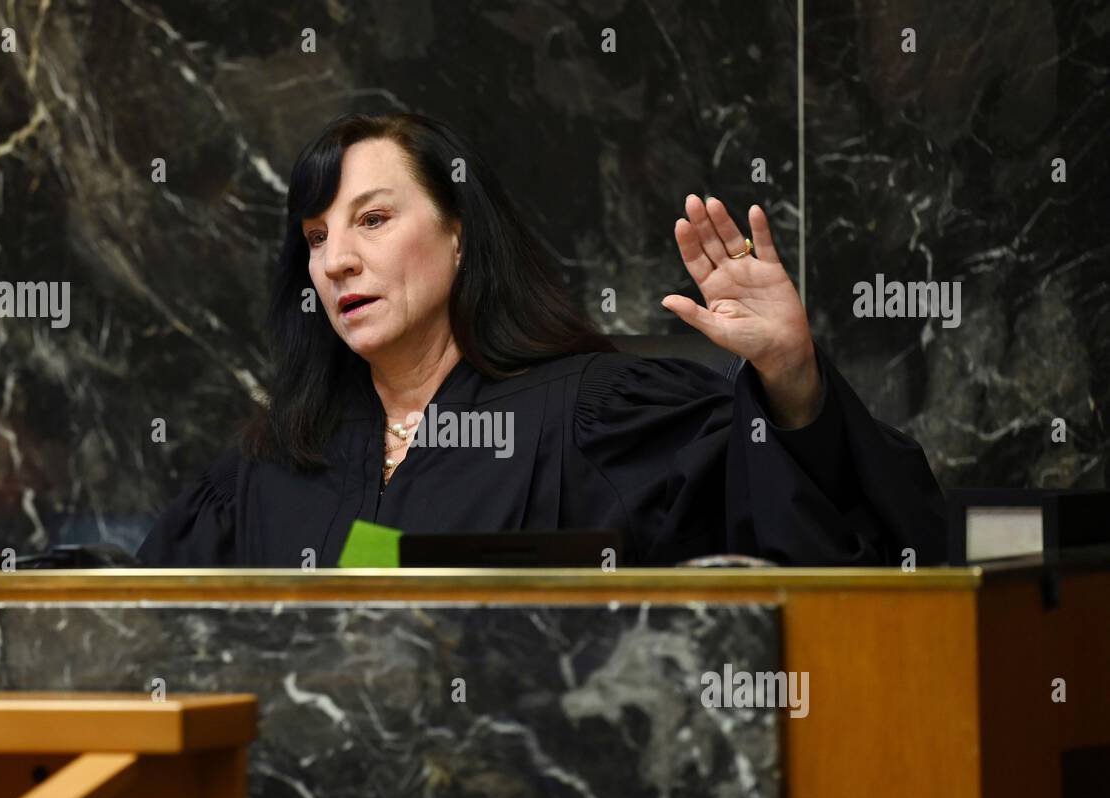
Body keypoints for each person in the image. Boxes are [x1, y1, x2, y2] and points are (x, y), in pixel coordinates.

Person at [136, 111, 946, 568]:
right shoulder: (273, 463)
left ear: (459, 235)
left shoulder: (592, 416)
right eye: (314, 237)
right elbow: (148, 626)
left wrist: (792, 379)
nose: (337, 259)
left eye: (373, 220)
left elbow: (826, 557)